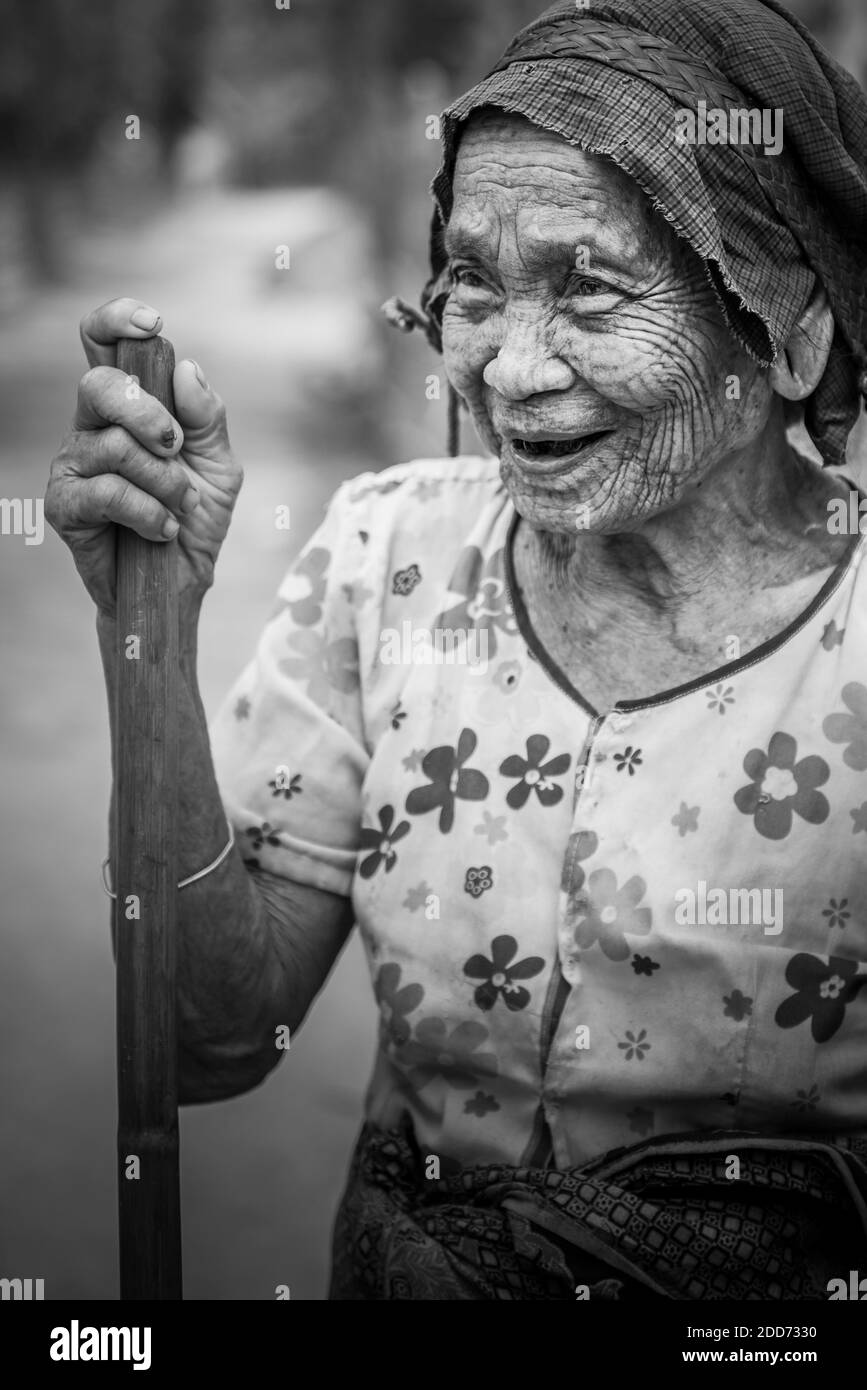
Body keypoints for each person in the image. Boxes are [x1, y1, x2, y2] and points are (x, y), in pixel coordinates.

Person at [45, 0, 867, 1300]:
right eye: (474, 284)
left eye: (590, 288)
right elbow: (207, 1036)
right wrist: (146, 632)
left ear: (793, 322)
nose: (509, 369)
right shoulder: (390, 560)